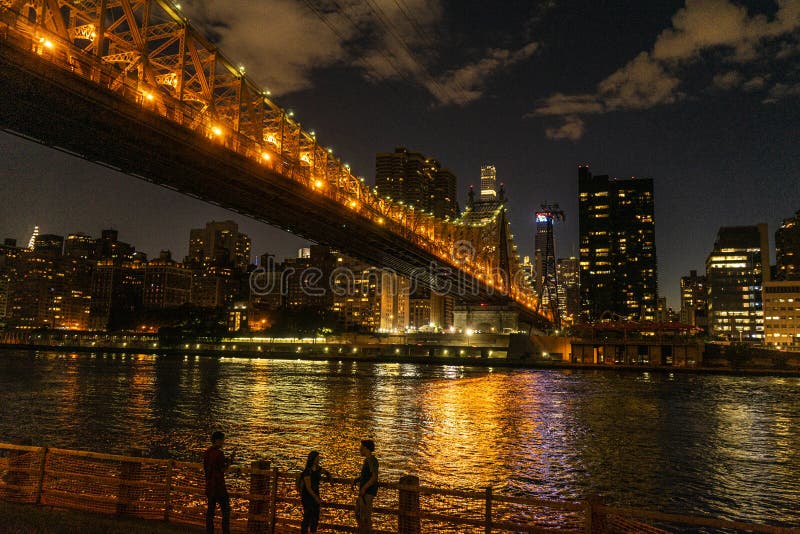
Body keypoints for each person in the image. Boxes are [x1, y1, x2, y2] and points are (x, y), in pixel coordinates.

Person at [203, 431, 235, 534]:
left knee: (210, 512)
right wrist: (229, 462)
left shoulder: (207, 452)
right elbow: (222, 469)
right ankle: (226, 531)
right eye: (222, 440)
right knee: (226, 511)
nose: (223, 442)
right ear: (217, 440)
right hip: (219, 486)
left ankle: (209, 531)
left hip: (209, 485)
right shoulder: (219, 453)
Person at [300, 450, 331, 534]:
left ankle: (313, 532)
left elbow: (326, 472)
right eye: (317, 458)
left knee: (315, 517)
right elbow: (308, 488)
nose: (319, 459)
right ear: (313, 459)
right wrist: (316, 497)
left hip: (315, 494)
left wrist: (330, 477)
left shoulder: (318, 469)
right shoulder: (307, 471)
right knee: (307, 517)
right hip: (308, 497)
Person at [352, 439, 378, 533]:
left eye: (361, 447)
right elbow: (367, 476)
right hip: (365, 493)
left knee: (365, 517)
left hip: (367, 493)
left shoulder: (371, 460)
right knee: (359, 514)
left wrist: (364, 488)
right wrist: (357, 480)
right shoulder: (368, 460)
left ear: (366, 448)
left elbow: (374, 477)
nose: (360, 449)